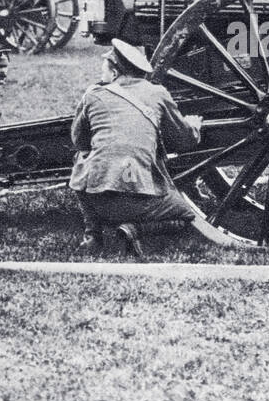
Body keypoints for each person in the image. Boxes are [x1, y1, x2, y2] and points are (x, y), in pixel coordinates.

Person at [69, 39, 207, 257]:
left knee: (83, 156)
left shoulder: (93, 95)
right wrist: (195, 126)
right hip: (141, 200)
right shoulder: (157, 93)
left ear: (114, 73)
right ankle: (132, 229)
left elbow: (79, 142)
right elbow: (184, 139)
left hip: (96, 200)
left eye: (104, 69)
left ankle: (93, 234)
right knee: (186, 216)